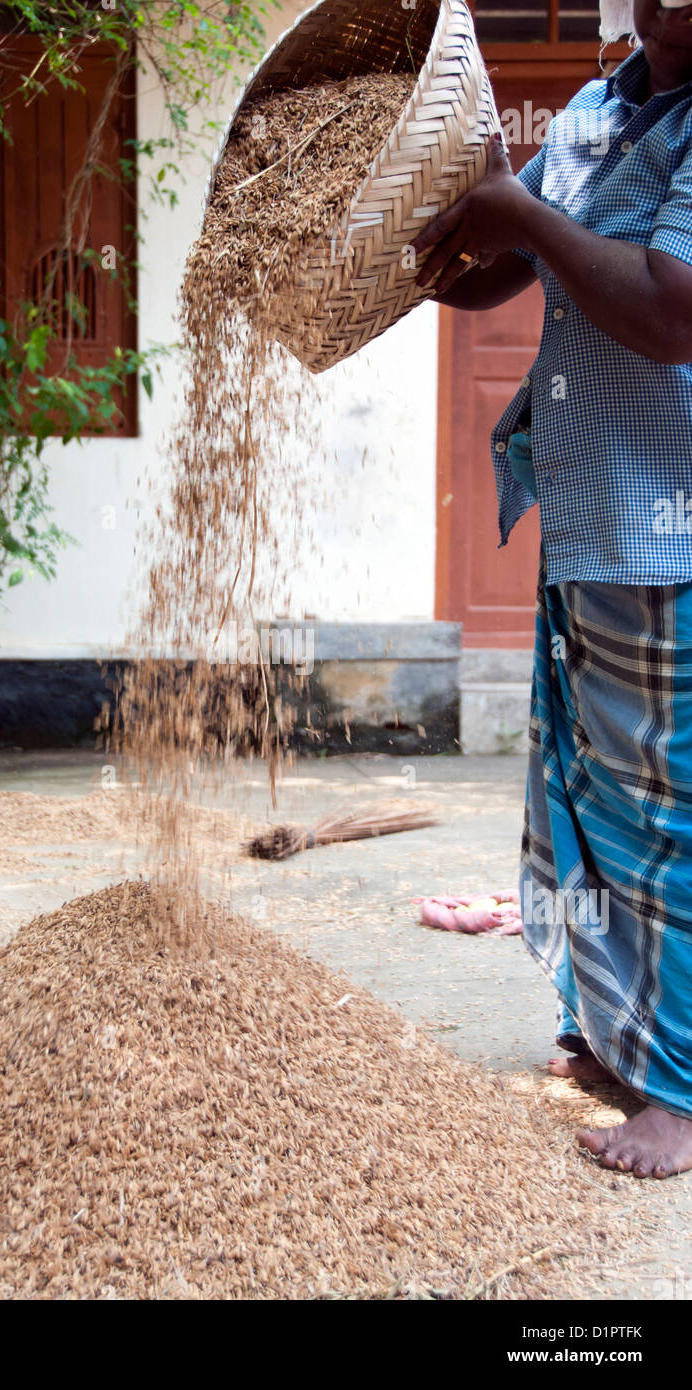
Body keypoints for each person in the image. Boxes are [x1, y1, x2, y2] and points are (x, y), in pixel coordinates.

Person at [412, 0, 692, 1178]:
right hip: (581, 520)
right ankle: (604, 1030)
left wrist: (521, 215)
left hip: (664, 536)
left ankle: (678, 1092)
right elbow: (505, 259)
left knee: (666, 819)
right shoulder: (590, 108)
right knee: (580, 795)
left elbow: (668, 311)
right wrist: (427, 252)